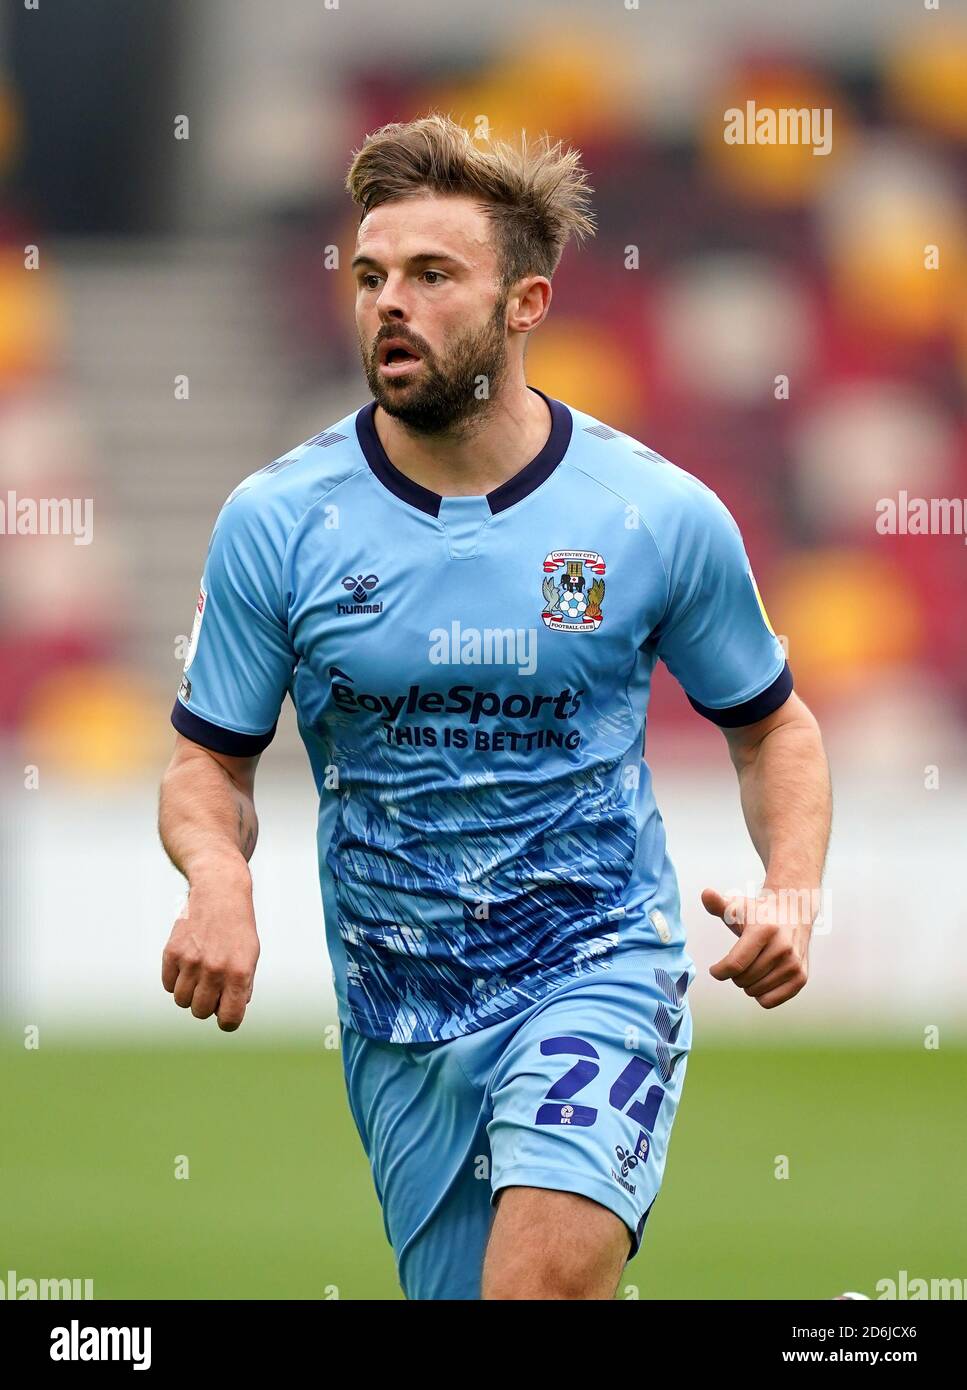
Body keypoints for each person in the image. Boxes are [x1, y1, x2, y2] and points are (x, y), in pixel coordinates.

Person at [158, 113, 832, 1300]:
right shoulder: (278, 519)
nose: (389, 303)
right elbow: (206, 760)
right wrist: (219, 881)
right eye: (369, 276)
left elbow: (772, 724)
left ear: (525, 303)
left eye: (430, 275)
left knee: (537, 1289)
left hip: (599, 963)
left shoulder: (653, 514)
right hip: (398, 1009)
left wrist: (791, 886)